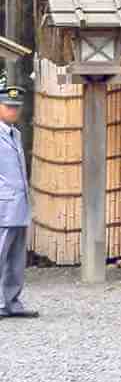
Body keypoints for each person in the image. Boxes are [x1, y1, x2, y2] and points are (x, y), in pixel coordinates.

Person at [0, 85, 35, 318]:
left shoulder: (16, 133)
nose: (13, 111)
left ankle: (12, 301)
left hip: (19, 204)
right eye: (8, 106)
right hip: (3, 204)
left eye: (16, 107)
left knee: (16, 257)